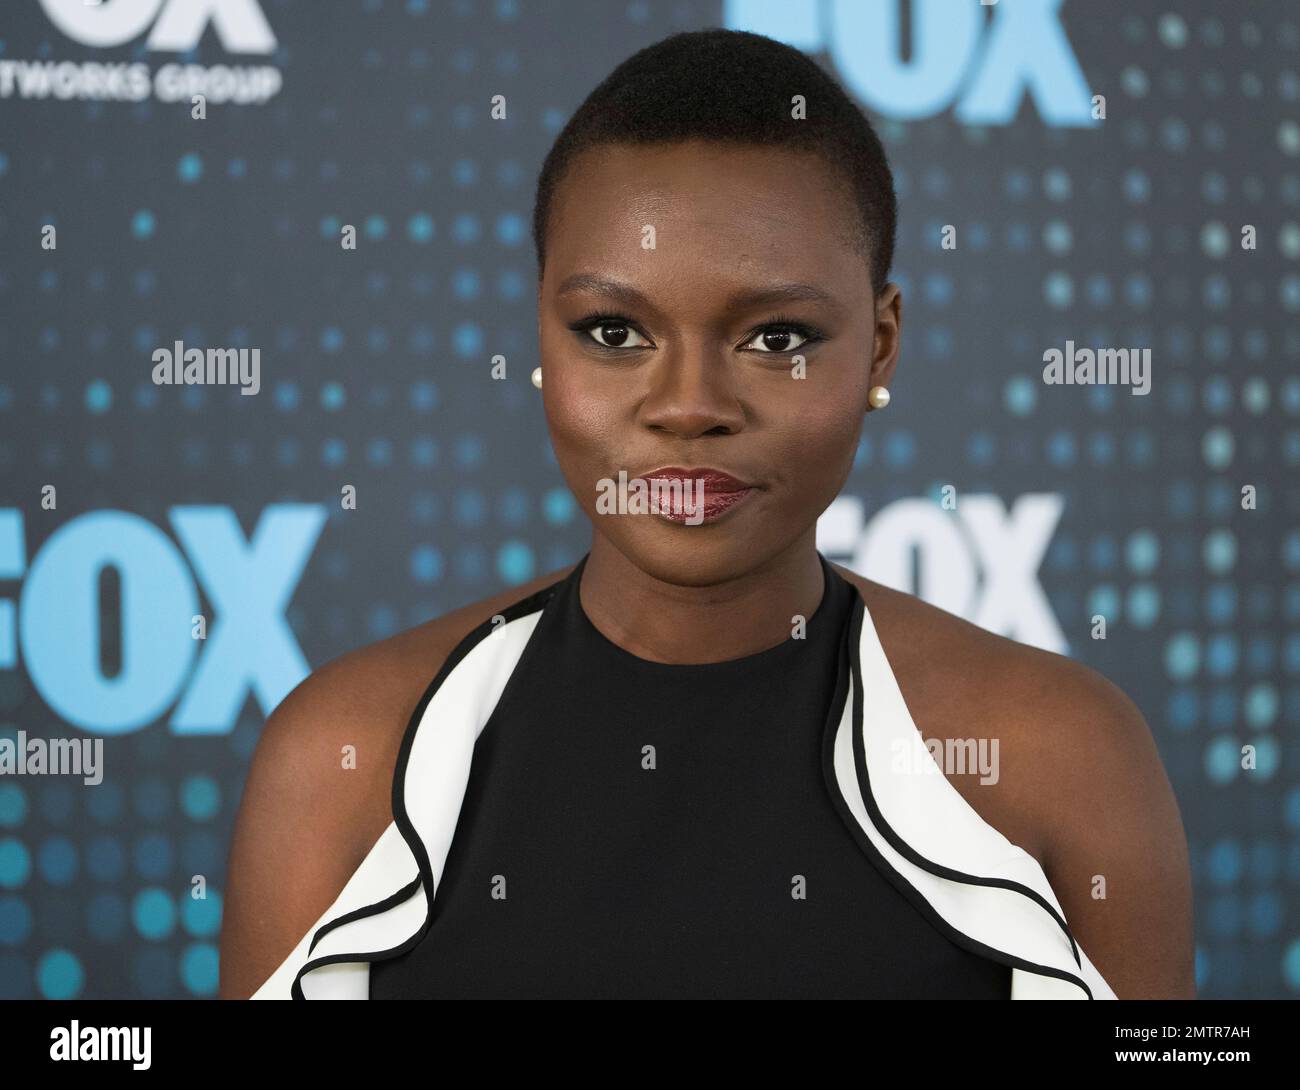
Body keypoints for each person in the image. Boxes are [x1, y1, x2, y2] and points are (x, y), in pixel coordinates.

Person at [220, 28, 1194, 1000]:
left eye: (778, 336)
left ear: (880, 348)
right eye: (613, 331)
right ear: (542, 342)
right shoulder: (345, 760)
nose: (689, 404)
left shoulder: (1060, 756)